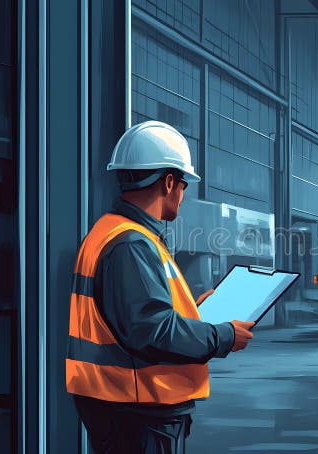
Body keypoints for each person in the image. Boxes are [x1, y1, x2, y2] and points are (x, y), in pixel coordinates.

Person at [66, 120, 255, 453]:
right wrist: (222, 335)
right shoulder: (131, 245)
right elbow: (152, 331)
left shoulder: (111, 232)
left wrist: (196, 312)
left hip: (119, 404)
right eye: (183, 184)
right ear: (169, 182)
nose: (183, 195)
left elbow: (139, 314)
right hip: (139, 410)